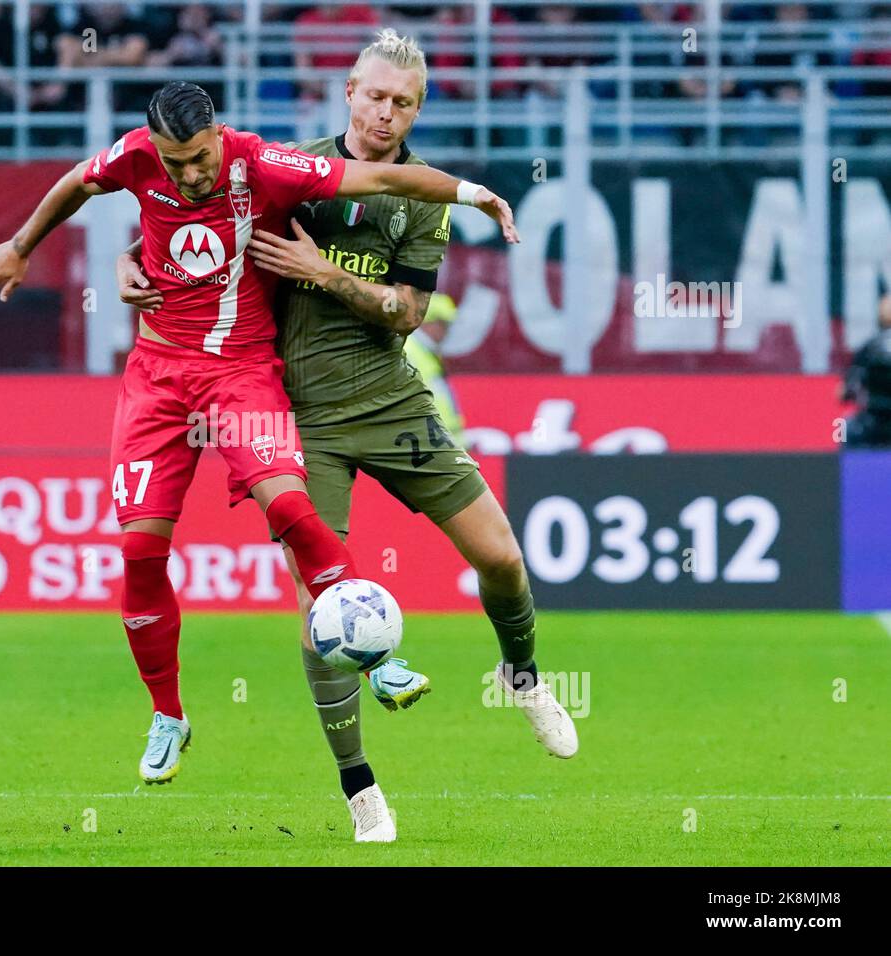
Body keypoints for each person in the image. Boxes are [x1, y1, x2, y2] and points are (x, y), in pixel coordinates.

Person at [0, 81, 519, 831]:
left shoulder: (264, 164)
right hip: (158, 372)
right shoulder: (138, 159)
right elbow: (77, 180)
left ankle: (378, 654)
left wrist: (473, 193)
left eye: (197, 160)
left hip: (243, 372)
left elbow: (389, 176)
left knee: (290, 503)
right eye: (174, 163)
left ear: (217, 139)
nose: (187, 175)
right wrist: (19, 246)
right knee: (139, 552)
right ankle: (168, 716)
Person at [116, 35, 574, 844]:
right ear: (349, 91)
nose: (385, 114)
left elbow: (409, 312)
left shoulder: (417, 198)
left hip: (391, 398)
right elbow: (186, 229)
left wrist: (325, 274)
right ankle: (361, 788)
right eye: (374, 96)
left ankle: (523, 672)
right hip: (300, 418)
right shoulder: (286, 171)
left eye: (402, 103)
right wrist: (127, 267)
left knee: (501, 556)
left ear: (417, 109)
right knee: (321, 618)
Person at [403, 291, 466, 446]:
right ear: (428, 322)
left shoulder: (423, 350)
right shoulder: (409, 351)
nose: (447, 331)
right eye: (444, 324)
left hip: (439, 442)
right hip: (430, 443)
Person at [841, 294, 891, 447]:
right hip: (875, 422)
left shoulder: (868, 348)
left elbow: (846, 391)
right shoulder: (867, 348)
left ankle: (852, 470)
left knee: (843, 429)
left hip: (872, 422)